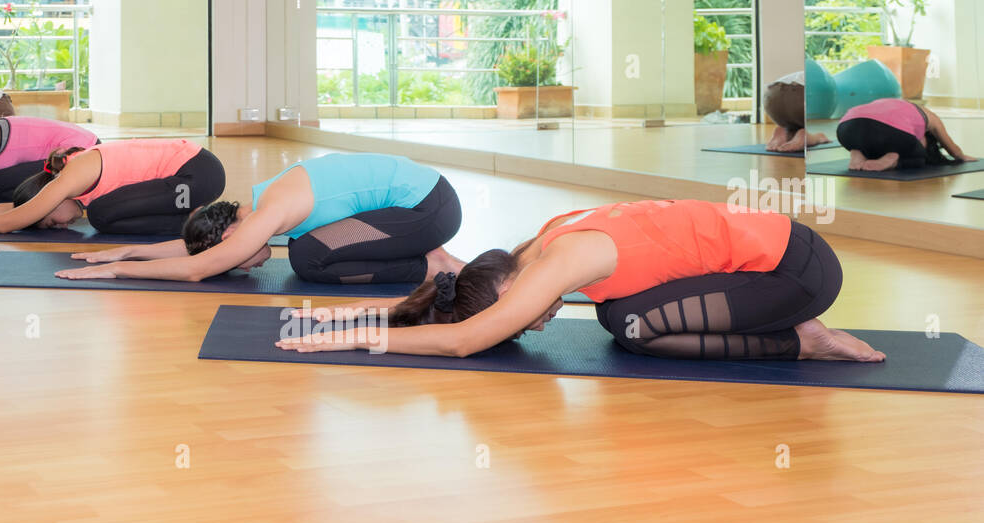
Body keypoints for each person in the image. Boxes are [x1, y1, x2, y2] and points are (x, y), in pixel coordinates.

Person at [277, 198, 886, 364]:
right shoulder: (536, 244)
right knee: (616, 317)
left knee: (635, 327)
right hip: (782, 249)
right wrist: (353, 312)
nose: (533, 324)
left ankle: (801, 338)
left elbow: (465, 339)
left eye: (517, 316)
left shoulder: (560, 262)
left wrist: (349, 341)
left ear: (510, 288)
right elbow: (446, 290)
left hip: (796, 270)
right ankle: (784, 317)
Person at [56, 152, 465, 285]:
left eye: (235, 251)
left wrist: (120, 271)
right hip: (418, 205)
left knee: (309, 259)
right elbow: (203, 248)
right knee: (307, 249)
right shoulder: (256, 206)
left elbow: (201, 267)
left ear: (231, 231)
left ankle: (434, 265)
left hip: (428, 208)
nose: (242, 264)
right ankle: (427, 255)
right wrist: (131, 249)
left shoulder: (267, 213)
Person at [0, 138, 225, 235]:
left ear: (48, 199)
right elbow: (14, 210)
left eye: (52, 219)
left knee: (101, 214)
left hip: (197, 175)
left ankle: (197, 217)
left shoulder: (70, 177)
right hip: (190, 179)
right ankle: (192, 219)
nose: (62, 223)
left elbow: (9, 222)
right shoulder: (63, 184)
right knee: (102, 216)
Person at [836, 98, 975, 171]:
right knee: (920, 156)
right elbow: (953, 149)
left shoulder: (892, 104)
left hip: (845, 130)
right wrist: (961, 156)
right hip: (885, 130)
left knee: (877, 141)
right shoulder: (928, 116)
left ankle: (858, 152)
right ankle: (893, 162)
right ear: (926, 135)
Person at [763, 71, 831, 153]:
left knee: (793, 123)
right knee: (803, 122)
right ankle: (815, 137)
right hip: (799, 94)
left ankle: (787, 134)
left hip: (772, 97)